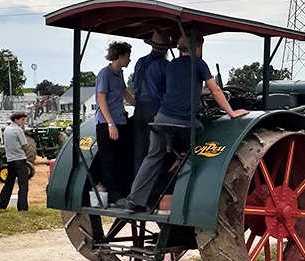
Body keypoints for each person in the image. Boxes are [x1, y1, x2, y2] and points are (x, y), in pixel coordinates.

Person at [125, 34, 248, 213]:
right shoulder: (199, 64)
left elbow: (177, 90)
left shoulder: (171, 65)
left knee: (153, 156)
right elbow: (216, 91)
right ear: (197, 47)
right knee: (207, 145)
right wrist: (231, 111)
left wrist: (198, 92)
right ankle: (199, 198)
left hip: (160, 120)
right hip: (184, 122)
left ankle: (133, 201)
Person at [95, 41, 135, 208]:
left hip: (120, 119)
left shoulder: (119, 74)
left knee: (123, 156)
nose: (129, 60)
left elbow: (125, 93)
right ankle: (113, 195)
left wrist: (139, 105)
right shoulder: (104, 74)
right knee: (109, 159)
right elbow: (101, 99)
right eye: (128, 57)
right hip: (107, 123)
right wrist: (110, 124)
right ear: (120, 56)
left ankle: (125, 191)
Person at [132, 30, 171, 175]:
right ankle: (156, 189)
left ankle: (136, 189)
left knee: (140, 151)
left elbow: (135, 83)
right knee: (157, 152)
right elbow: (172, 88)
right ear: (166, 48)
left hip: (139, 109)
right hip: (155, 109)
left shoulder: (140, 62)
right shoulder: (164, 65)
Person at [0, 112, 30, 211]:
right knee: (23, 185)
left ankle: (0, 205)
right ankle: (22, 207)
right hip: (20, 158)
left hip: (10, 160)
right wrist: (24, 132)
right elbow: (25, 145)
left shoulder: (7, 129)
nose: (24, 121)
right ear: (16, 120)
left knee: (9, 183)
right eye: (22, 119)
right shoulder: (18, 130)